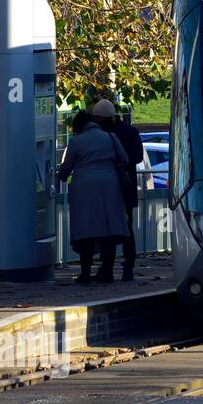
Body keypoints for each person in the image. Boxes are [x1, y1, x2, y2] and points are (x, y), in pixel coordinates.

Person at [57, 110, 130, 284]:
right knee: (108, 230)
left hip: (84, 187)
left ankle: (85, 273)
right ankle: (107, 272)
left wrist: (57, 177)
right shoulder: (111, 137)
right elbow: (125, 159)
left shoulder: (76, 142)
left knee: (86, 230)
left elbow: (67, 168)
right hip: (110, 186)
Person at [92, 99, 144, 281]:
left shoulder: (103, 134)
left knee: (107, 228)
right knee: (127, 228)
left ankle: (107, 268)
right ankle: (128, 268)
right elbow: (137, 157)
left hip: (109, 187)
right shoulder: (130, 132)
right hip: (126, 186)